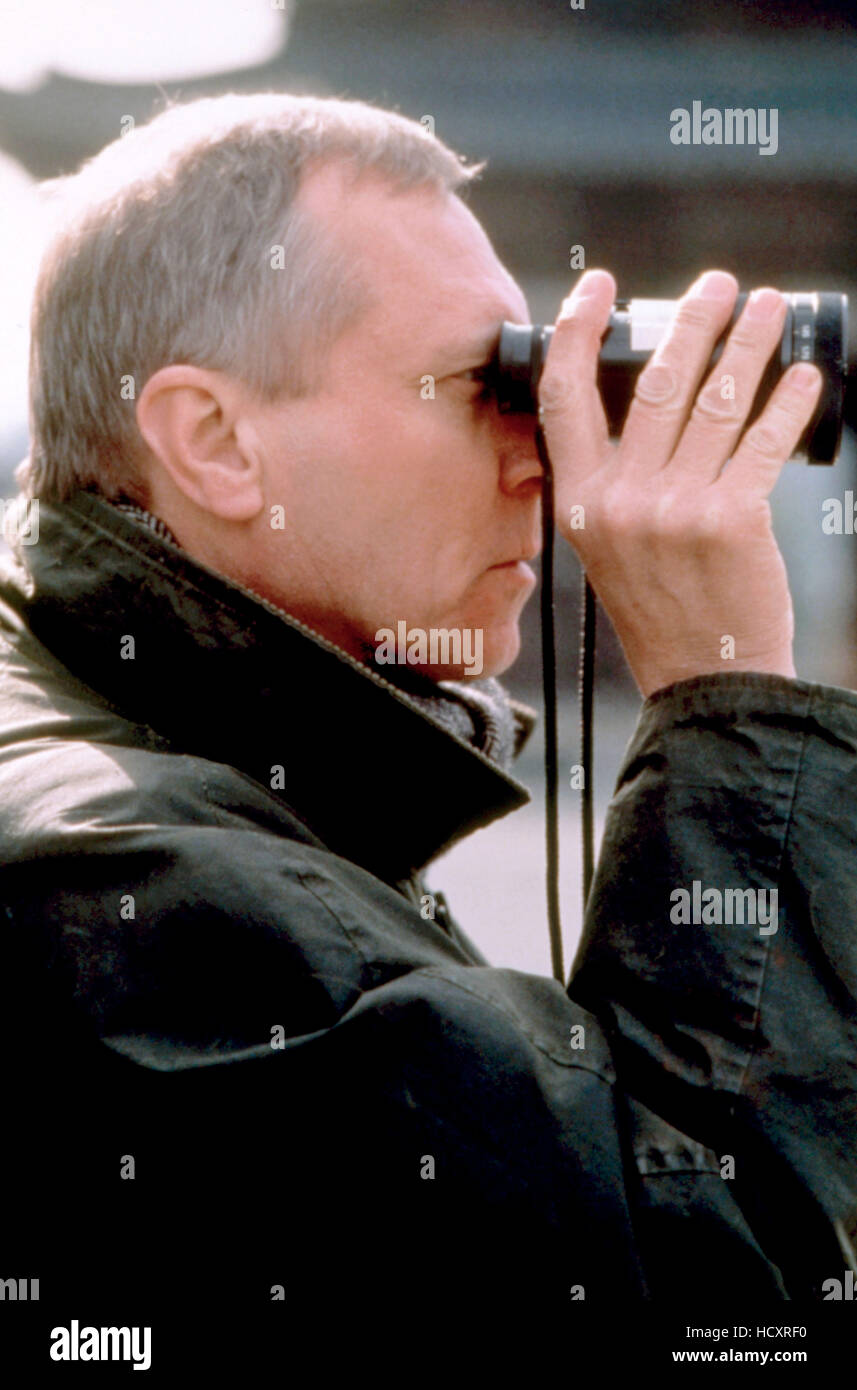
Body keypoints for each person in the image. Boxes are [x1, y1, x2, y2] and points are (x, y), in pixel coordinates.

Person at [0, 93, 854, 1324]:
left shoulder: (120, 721)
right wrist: (725, 693)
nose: (542, 451)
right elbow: (718, 1303)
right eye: (479, 383)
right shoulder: (146, 890)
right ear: (217, 443)